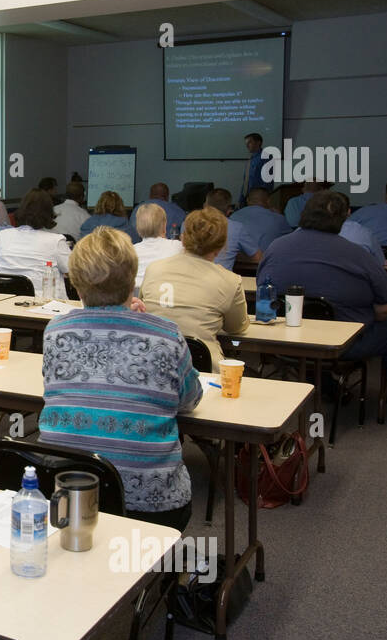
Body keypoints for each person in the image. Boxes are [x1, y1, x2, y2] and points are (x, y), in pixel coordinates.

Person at [40, 228, 202, 529]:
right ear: (133, 280)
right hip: (152, 510)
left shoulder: (55, 331)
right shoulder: (166, 334)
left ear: (75, 283)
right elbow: (189, 400)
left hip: (67, 495)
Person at [258, 191, 387, 429]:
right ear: (343, 218)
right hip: (347, 342)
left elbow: (263, 290)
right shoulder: (357, 254)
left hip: (290, 340)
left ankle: (328, 387)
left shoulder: (276, 247)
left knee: (309, 344)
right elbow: (385, 308)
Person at [141, 209, 250, 368]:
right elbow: (236, 328)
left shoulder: (154, 269)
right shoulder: (230, 281)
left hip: (154, 364)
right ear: (220, 246)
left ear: (183, 239)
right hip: (202, 369)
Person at [0, 189, 71, 288]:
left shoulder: (1, 236)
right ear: (49, 212)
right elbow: (77, 275)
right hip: (45, 301)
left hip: (3, 299)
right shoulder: (56, 241)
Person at [205, 188, 261, 270]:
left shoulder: (187, 224)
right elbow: (258, 258)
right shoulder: (236, 228)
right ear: (229, 209)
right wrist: (234, 254)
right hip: (222, 280)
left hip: (190, 280)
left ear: (205, 206)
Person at [131, 203, 182, 290]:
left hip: (138, 300)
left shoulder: (130, 251)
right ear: (164, 226)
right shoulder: (177, 246)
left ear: (137, 228)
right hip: (166, 298)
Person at [230, 186, 292, 253]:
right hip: (265, 261)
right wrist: (280, 216)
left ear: (247, 200)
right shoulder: (277, 218)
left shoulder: (233, 216)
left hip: (236, 260)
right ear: (268, 201)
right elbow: (291, 239)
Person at [240, 132, 268, 204]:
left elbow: (267, 180)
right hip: (247, 197)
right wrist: (241, 198)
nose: (247, 145)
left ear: (258, 142)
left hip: (258, 199)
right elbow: (246, 181)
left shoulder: (265, 157)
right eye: (246, 143)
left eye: (249, 142)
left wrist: (263, 198)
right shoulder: (250, 159)